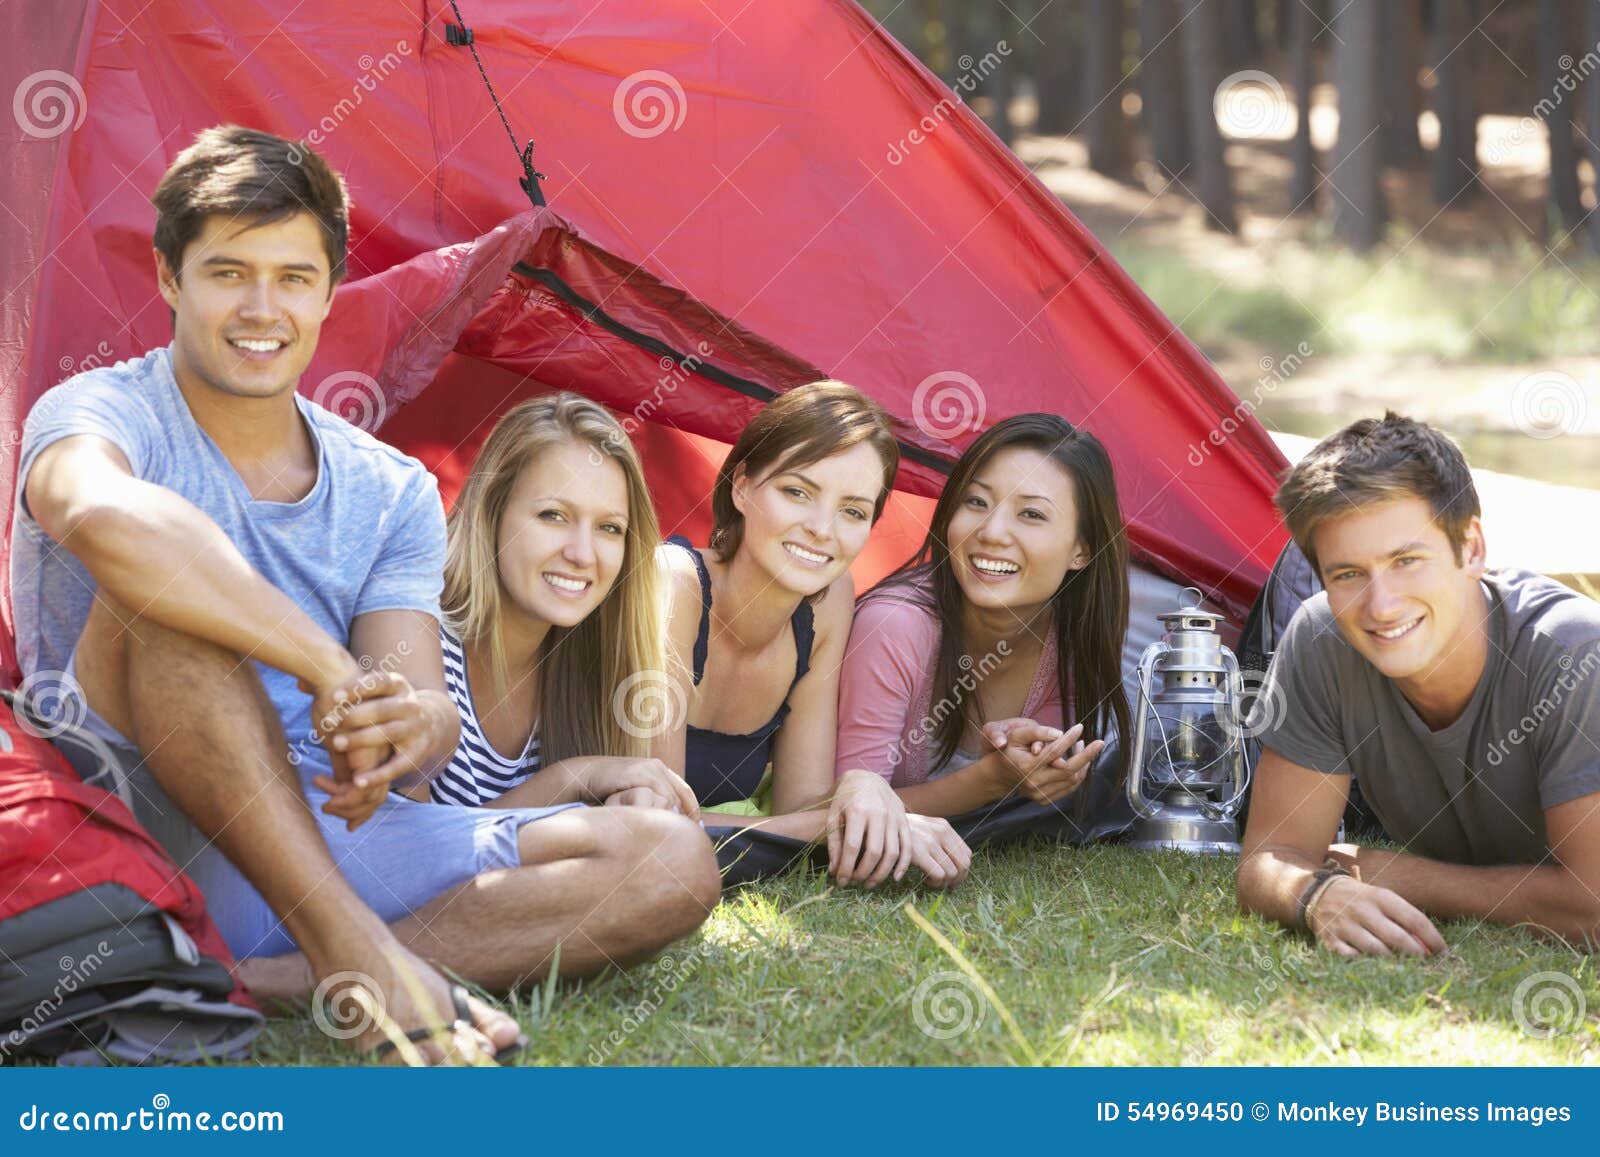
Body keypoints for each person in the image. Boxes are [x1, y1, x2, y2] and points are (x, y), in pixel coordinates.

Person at [10, 125, 720, 1064]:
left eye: (293, 277)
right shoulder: (101, 410)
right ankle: (360, 957)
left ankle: (289, 973)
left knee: (671, 857)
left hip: (338, 826)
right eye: (228, 273)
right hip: (143, 817)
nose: (261, 308)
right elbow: (96, 513)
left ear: (328, 290)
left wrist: (408, 725)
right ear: (170, 278)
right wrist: (322, 662)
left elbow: (422, 709)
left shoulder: (388, 486)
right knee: (169, 606)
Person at [1236, 413, 1600, 956]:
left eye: (1406, 560)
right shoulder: (1322, 640)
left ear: (1471, 548)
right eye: (1348, 574)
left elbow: (1592, 909)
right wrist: (1314, 895)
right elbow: (1270, 856)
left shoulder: (1574, 654)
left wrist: (1403, 876)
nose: (1381, 606)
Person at [657, 381, 971, 888]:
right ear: (742, 486)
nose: (823, 529)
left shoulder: (828, 601)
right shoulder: (673, 582)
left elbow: (798, 804)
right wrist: (848, 825)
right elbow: (654, 828)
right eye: (797, 492)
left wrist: (864, 788)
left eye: (853, 511)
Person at [835, 414, 1129, 843]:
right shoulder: (894, 624)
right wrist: (989, 781)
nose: (991, 532)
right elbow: (849, 811)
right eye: (976, 502)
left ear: (1081, 550)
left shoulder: (1073, 641)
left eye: (1031, 513)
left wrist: (1033, 764)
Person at [409, 391, 696, 817]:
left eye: (609, 528)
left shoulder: (599, 668)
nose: (582, 554)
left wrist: (626, 803)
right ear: (492, 512)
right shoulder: (414, 630)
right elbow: (399, 843)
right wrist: (571, 779)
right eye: (553, 516)